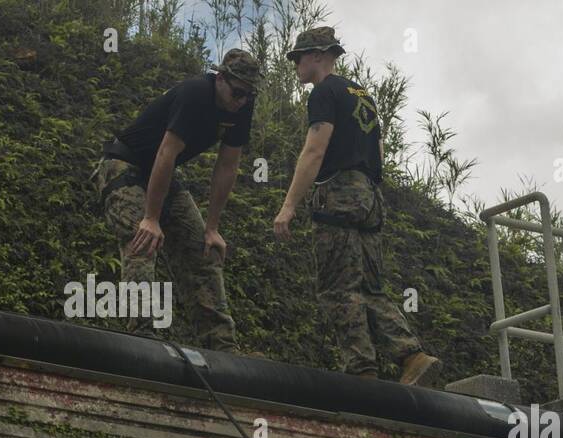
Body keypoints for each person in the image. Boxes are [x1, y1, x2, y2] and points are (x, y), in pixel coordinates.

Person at [273, 27, 441, 386]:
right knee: (370, 287)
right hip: (370, 197)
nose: (296, 64)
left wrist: (289, 205)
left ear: (318, 55)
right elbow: (379, 150)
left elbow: (315, 149)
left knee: (337, 287)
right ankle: (411, 355)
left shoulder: (324, 92)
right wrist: (367, 192)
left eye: (299, 57)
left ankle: (361, 369)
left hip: (338, 194)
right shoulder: (361, 94)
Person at [92, 49, 260, 350]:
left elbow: (227, 166)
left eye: (248, 95)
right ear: (220, 78)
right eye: (237, 93)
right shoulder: (195, 94)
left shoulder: (242, 106)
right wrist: (152, 218)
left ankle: (222, 345)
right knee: (142, 239)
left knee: (202, 250)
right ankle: (141, 332)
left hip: (162, 171)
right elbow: (166, 153)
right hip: (125, 165)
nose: (241, 101)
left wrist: (211, 227)